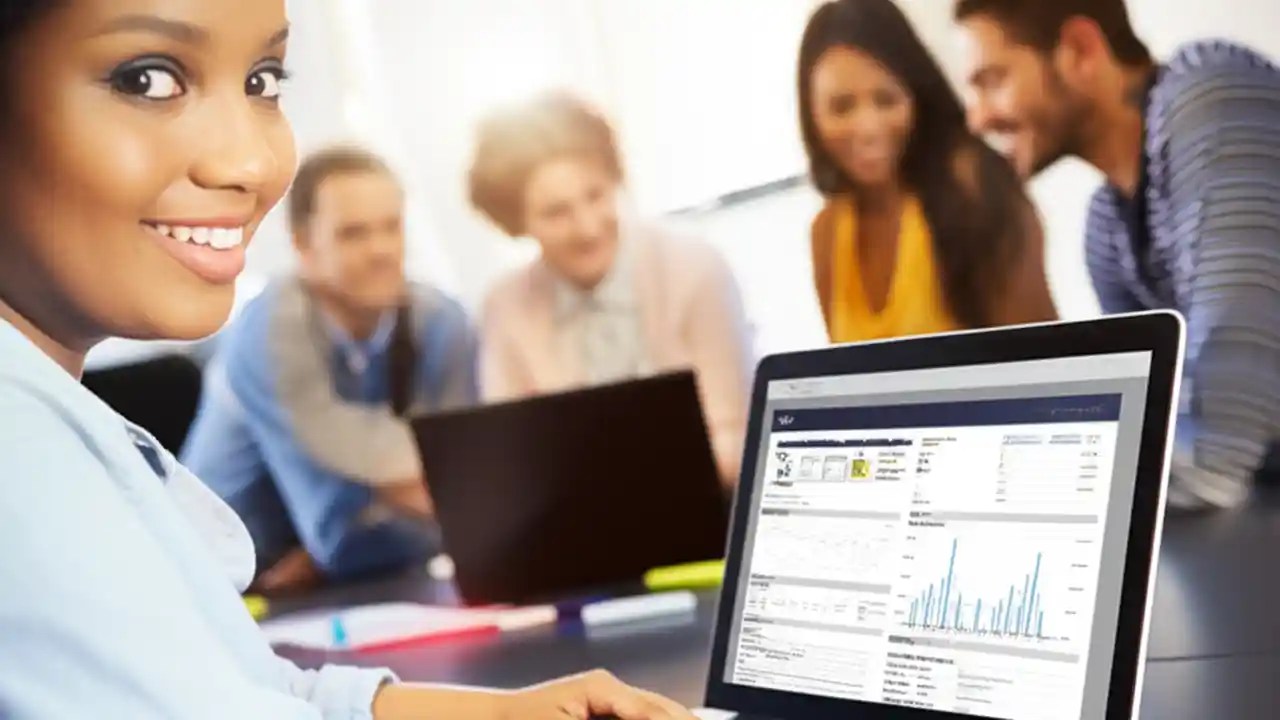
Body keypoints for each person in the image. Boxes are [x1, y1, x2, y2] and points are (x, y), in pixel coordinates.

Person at [0, 0, 696, 717]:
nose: (253, 161)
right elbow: (384, 520)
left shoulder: (437, 319)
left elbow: (260, 692)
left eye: (264, 81)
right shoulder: (21, 448)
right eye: (147, 79)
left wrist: (503, 712)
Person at [954, 0, 1280, 510]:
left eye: (992, 79)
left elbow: (1215, 453)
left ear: (1081, 50)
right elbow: (1147, 427)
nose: (977, 118)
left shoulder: (1210, 90)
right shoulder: (1107, 227)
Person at [181, 146, 475, 596]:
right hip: (232, 587)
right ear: (303, 245)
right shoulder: (268, 333)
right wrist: (429, 497)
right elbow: (341, 539)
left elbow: (462, 476)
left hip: (350, 587)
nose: (381, 250)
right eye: (353, 234)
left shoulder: (441, 321)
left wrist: (418, 495)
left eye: (391, 228)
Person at [469, 90, 754, 486]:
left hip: (714, 501)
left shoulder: (696, 269)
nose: (587, 227)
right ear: (516, 220)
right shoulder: (504, 307)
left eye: (596, 195)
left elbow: (741, 436)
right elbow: (514, 457)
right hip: (578, 524)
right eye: (556, 213)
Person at [800, 0, 1058, 345]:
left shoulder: (974, 188)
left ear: (915, 95)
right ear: (811, 112)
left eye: (886, 99)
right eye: (841, 106)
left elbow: (1046, 360)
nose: (867, 127)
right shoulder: (827, 233)